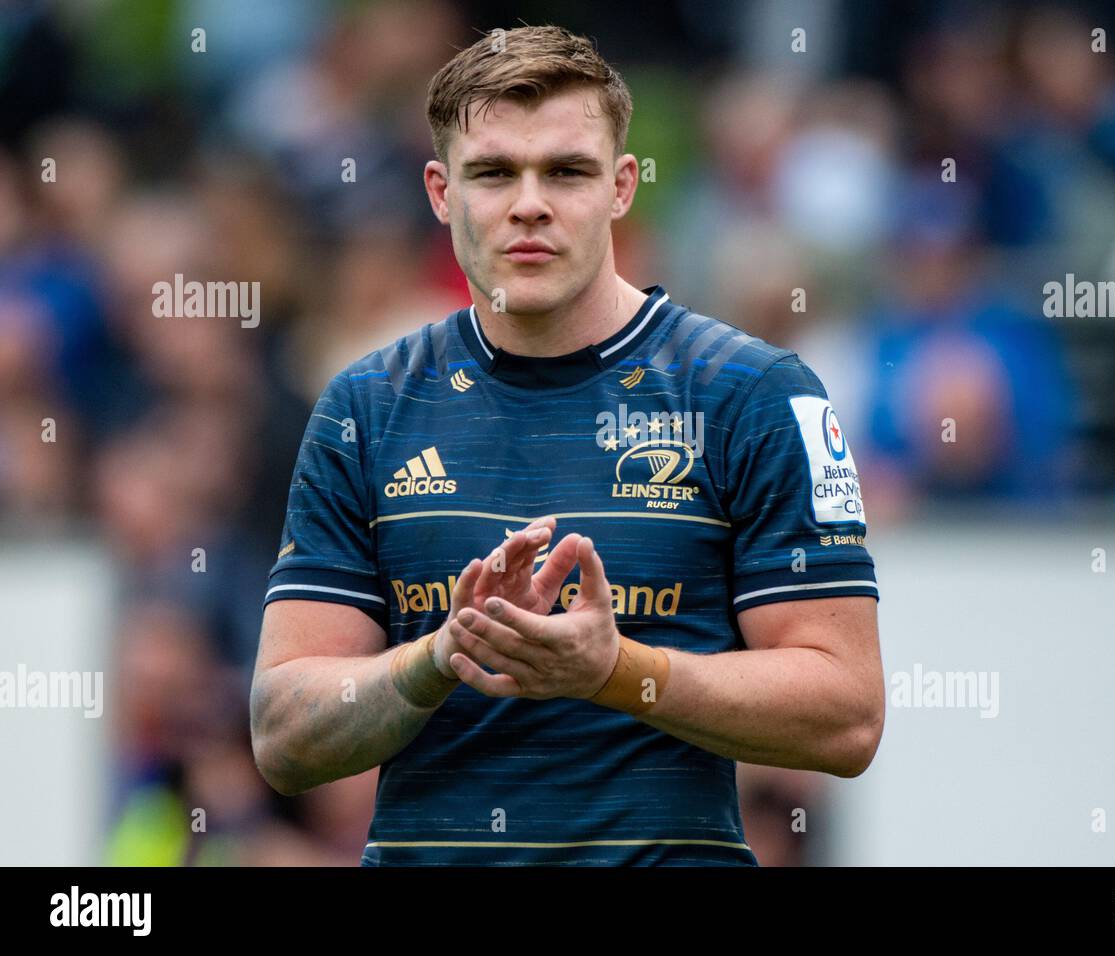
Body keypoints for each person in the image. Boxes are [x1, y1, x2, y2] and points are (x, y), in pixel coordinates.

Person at [250, 24, 884, 866]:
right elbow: (284, 736)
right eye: (494, 173)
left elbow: (848, 714)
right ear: (440, 192)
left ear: (623, 186)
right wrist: (437, 657)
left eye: (567, 171)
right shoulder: (365, 406)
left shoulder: (756, 395)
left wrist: (615, 671)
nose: (529, 203)